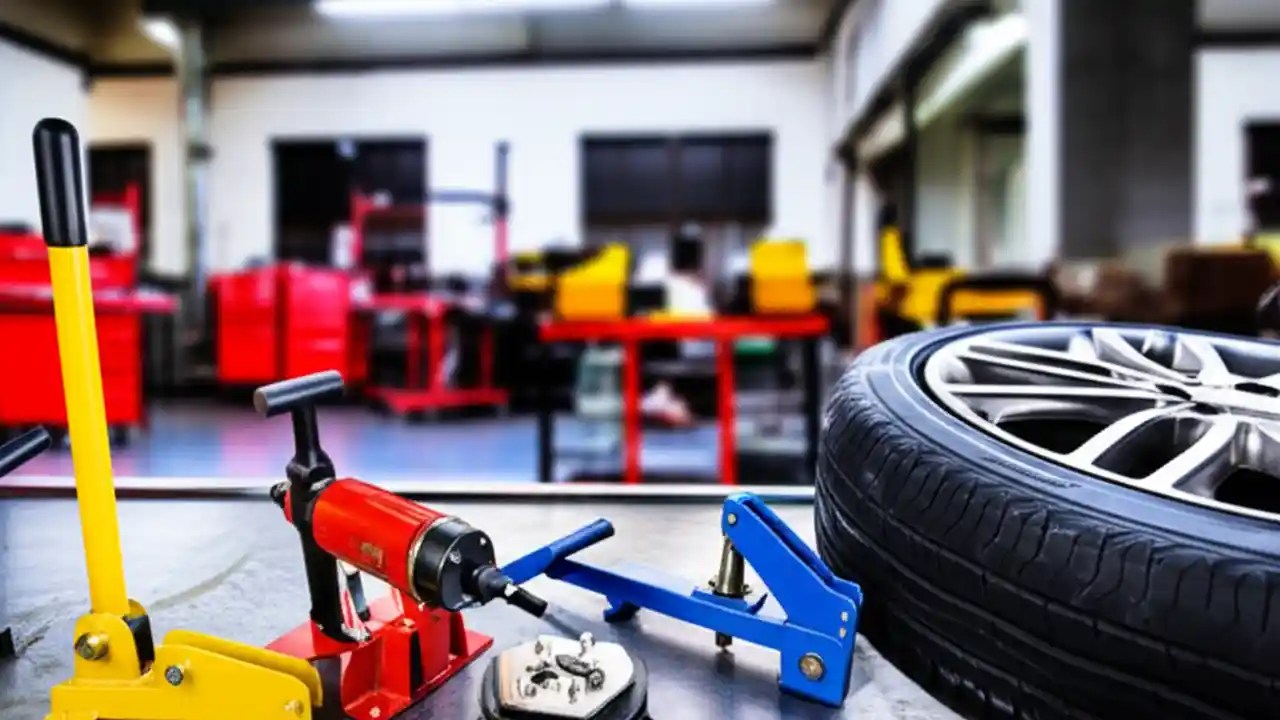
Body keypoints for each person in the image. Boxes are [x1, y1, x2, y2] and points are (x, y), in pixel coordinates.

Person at [640, 224, 710, 427]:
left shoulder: (697, 290)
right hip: (668, 355)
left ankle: (663, 398)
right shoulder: (656, 272)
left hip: (694, 358)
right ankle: (660, 397)